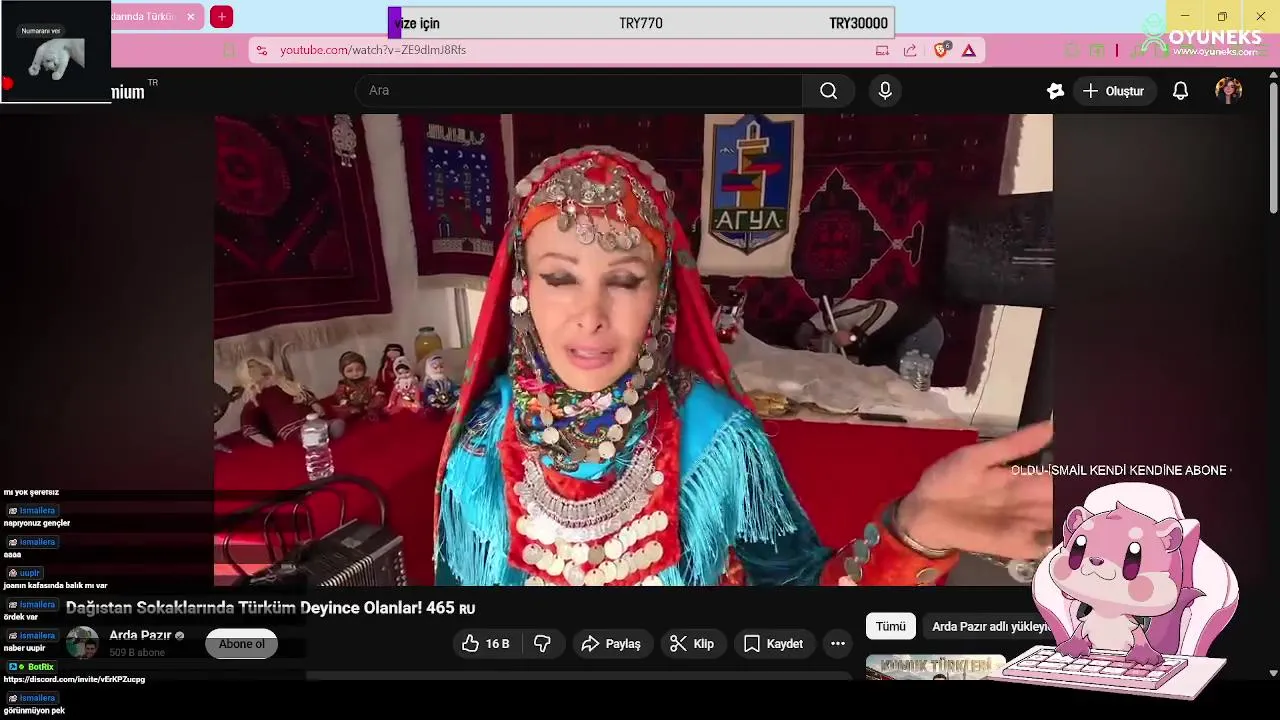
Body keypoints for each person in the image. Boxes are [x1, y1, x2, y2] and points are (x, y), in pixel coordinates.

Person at [432, 146, 1053, 587]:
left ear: (662, 296)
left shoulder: (720, 438)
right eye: (560, 278)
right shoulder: (485, 441)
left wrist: (911, 535)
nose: (590, 316)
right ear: (522, 289)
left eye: (623, 281)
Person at [793, 295, 944, 368]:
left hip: (921, 329)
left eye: (810, 346)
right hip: (899, 341)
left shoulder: (835, 317)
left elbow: (884, 306)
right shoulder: (835, 346)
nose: (813, 350)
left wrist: (854, 335)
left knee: (908, 386)